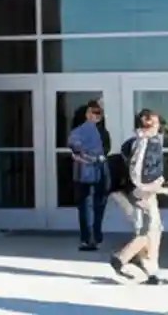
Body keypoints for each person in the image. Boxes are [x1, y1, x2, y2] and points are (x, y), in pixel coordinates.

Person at [110, 108, 168, 285]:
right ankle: (123, 257)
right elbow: (139, 173)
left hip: (137, 191)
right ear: (149, 124)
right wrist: (155, 188)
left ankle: (150, 269)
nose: (158, 125)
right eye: (155, 122)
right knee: (149, 230)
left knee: (154, 229)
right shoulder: (147, 142)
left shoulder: (135, 142)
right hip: (144, 192)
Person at [67, 100, 110, 251]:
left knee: (99, 205)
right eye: (93, 112)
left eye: (99, 113)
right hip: (84, 173)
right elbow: (76, 148)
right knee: (86, 206)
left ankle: (96, 236)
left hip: (101, 173)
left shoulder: (103, 132)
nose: (97, 116)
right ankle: (87, 239)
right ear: (87, 113)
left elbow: (106, 150)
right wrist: (91, 158)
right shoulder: (78, 131)